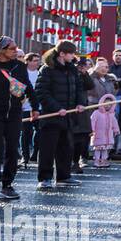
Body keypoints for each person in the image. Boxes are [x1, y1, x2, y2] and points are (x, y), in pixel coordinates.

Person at [0, 36, 37, 201]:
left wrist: (35, 108)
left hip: (15, 113)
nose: (16, 51)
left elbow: (28, 88)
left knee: (12, 150)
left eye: (16, 48)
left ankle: (7, 185)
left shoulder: (19, 66)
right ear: (1, 50)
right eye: (12, 48)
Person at [34, 40, 84, 191]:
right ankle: (45, 178)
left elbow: (79, 89)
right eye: (71, 53)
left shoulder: (72, 70)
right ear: (62, 54)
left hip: (68, 116)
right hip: (51, 116)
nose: (74, 56)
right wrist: (57, 108)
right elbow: (41, 93)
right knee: (47, 149)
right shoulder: (47, 69)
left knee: (66, 148)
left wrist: (80, 103)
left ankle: (63, 176)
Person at [18, 52, 41, 168]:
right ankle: (24, 157)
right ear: (28, 61)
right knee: (25, 133)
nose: (38, 63)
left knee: (39, 131)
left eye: (38, 60)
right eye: (35, 60)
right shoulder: (23, 72)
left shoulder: (40, 73)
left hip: (38, 108)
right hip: (24, 107)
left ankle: (35, 154)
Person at [91, 93, 120, 168]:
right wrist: (92, 130)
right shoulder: (96, 113)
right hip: (98, 135)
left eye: (110, 104)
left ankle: (104, 160)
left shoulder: (111, 114)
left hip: (108, 135)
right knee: (98, 149)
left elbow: (114, 122)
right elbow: (92, 121)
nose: (107, 106)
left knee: (105, 149)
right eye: (105, 104)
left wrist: (116, 129)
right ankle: (97, 160)